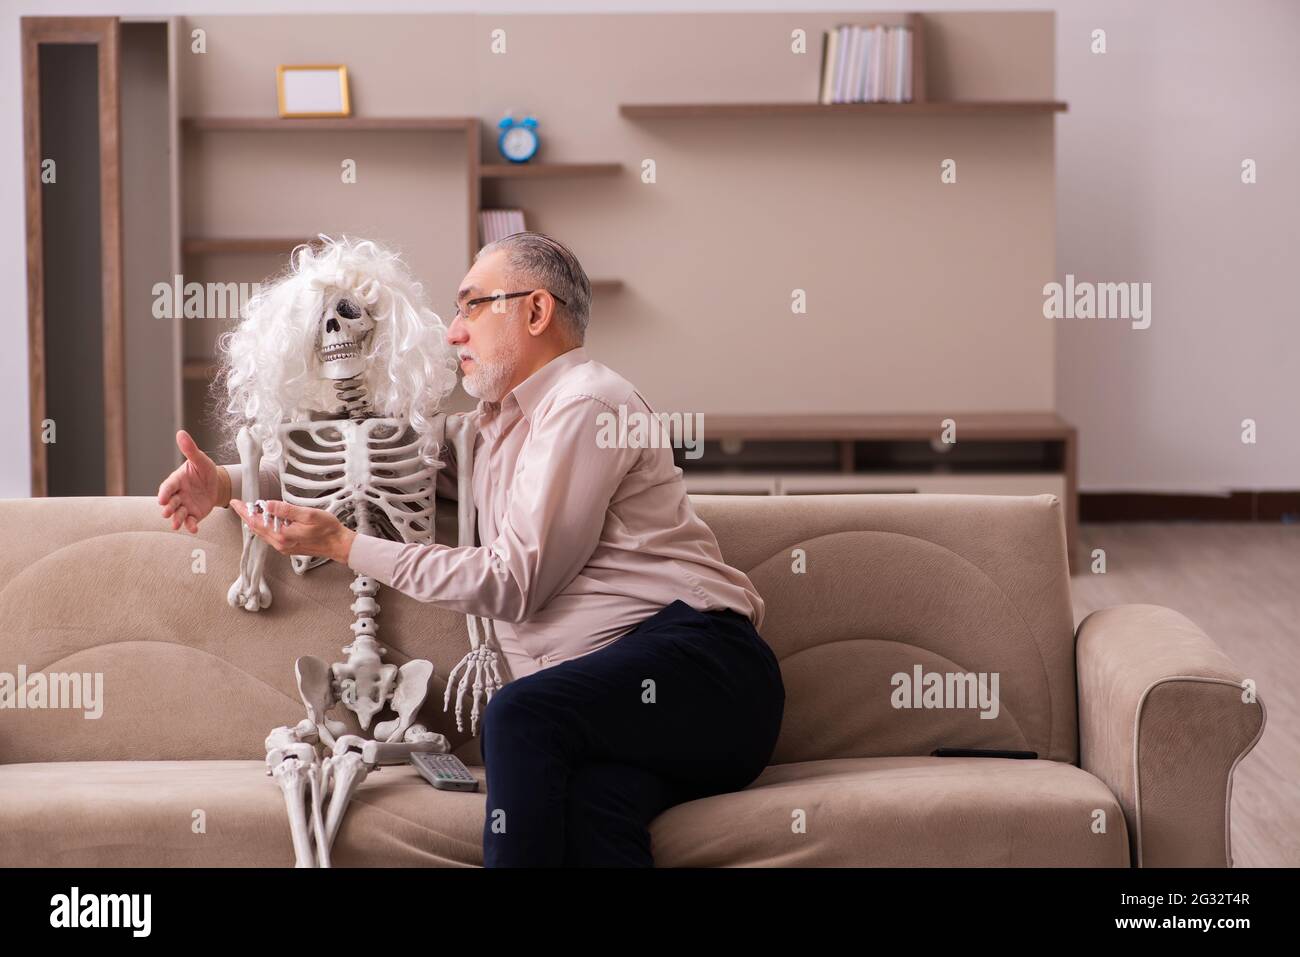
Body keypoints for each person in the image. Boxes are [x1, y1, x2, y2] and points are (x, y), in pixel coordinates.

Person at [157, 231, 785, 867]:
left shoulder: (588, 403)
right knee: (594, 815)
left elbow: (515, 582)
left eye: (471, 306)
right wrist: (225, 485)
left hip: (704, 675)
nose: (453, 331)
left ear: (536, 312)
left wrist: (348, 545)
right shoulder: (489, 430)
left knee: (517, 716)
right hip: (617, 716)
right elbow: (389, 465)